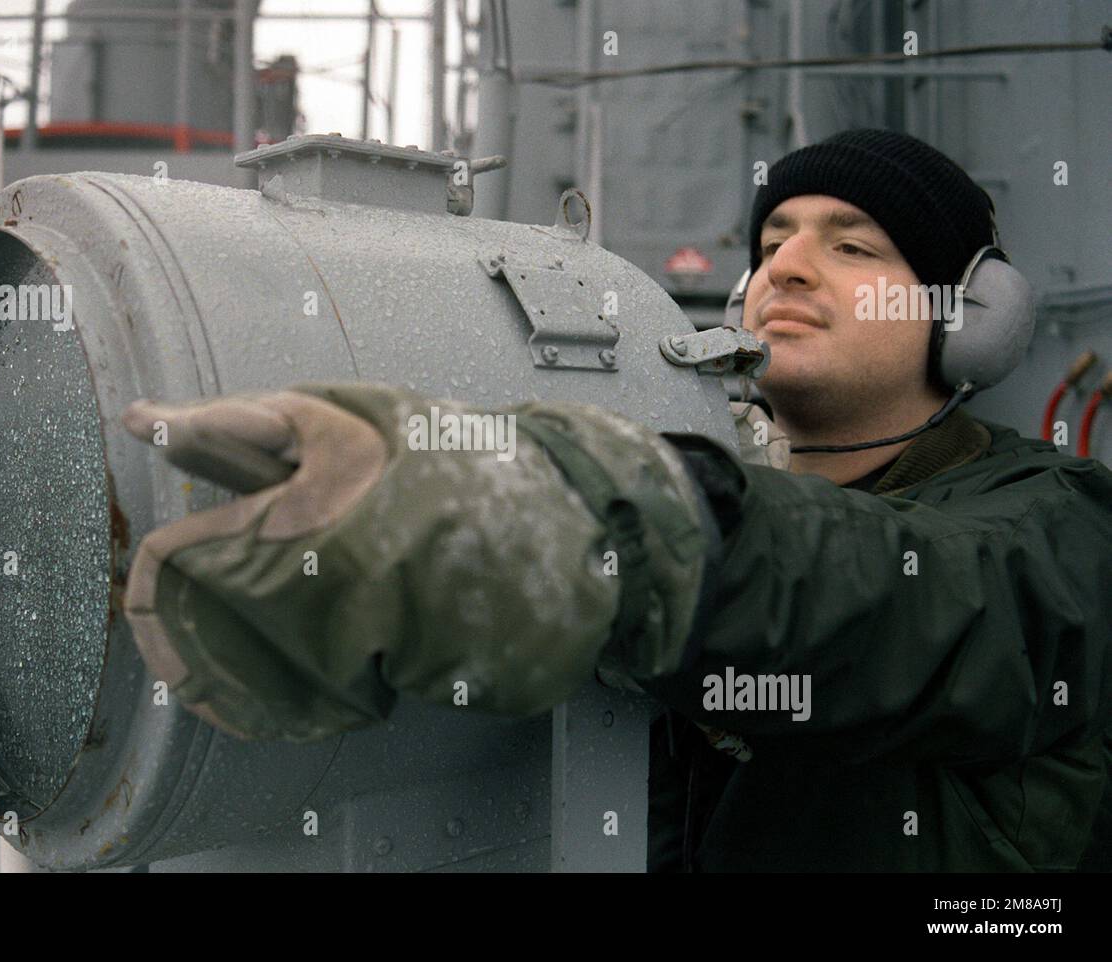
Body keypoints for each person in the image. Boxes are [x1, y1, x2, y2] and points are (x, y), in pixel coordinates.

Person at [119, 129, 1112, 872]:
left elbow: (889, 592)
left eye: (854, 248)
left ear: (967, 320)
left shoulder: (1057, 529)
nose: (787, 268)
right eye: (771, 243)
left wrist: (560, 517)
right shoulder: (733, 491)